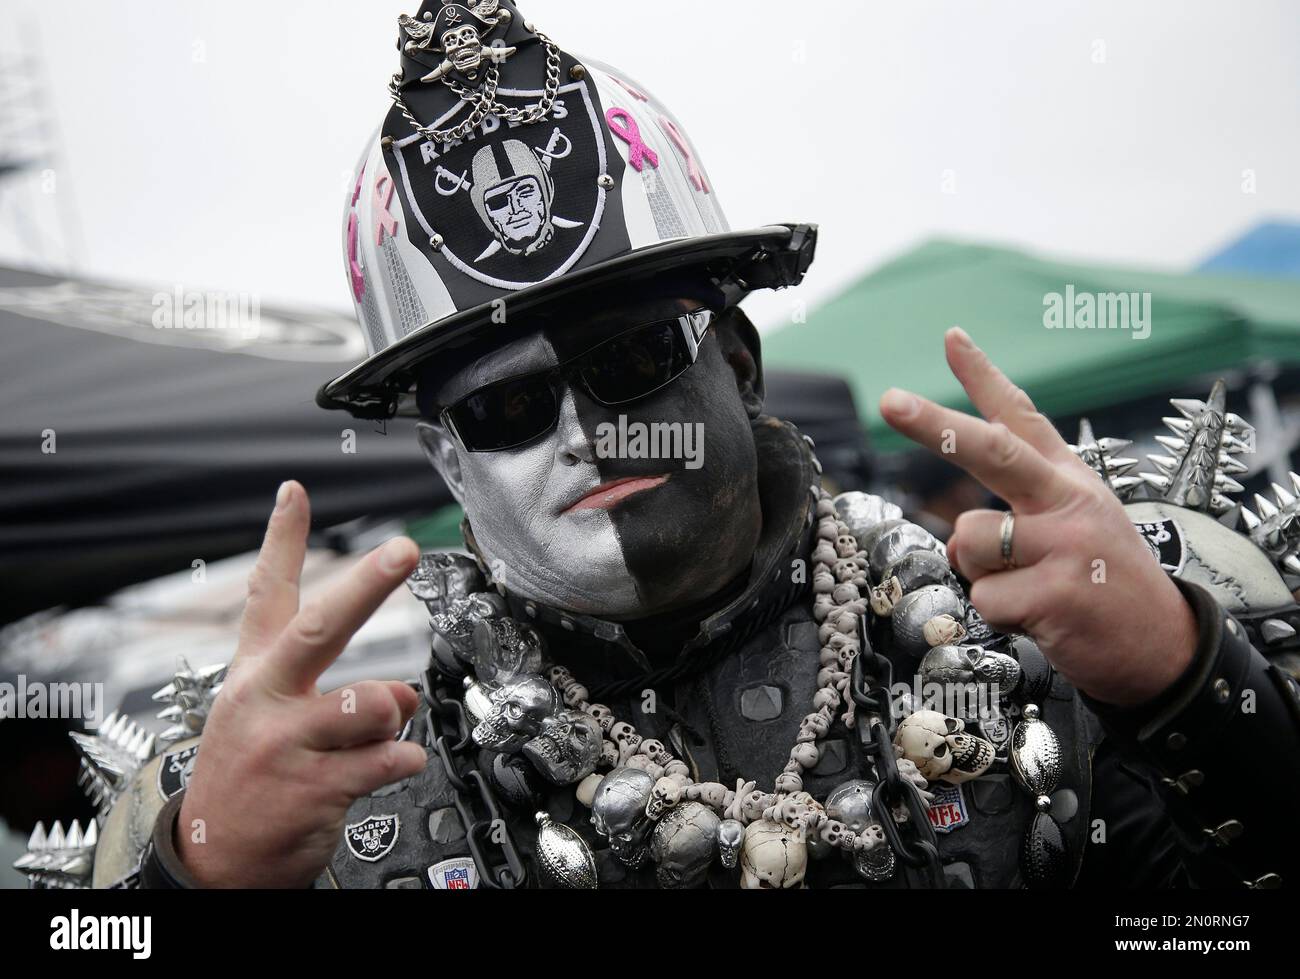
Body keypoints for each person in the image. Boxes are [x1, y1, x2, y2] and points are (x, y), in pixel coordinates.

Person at [22, 0, 1299, 890]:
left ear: (734, 365)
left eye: (633, 361)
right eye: (507, 410)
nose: (586, 427)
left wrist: (1193, 682)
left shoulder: (1041, 661)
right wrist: (196, 885)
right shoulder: (334, 809)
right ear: (452, 471)